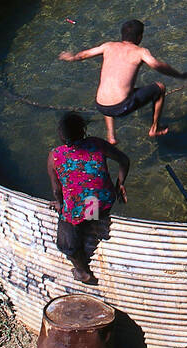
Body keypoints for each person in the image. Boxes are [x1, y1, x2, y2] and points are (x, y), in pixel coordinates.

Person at [58, 19, 187, 144]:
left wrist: (71, 57)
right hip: (120, 107)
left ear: (122, 35)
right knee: (159, 88)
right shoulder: (140, 51)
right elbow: (157, 65)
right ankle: (154, 128)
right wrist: (180, 75)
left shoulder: (108, 46)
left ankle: (111, 136)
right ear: (140, 37)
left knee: (109, 87)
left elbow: (84, 54)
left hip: (100, 105)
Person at [47, 112, 130, 284]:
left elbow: (57, 191)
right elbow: (124, 160)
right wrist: (120, 184)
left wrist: (60, 205)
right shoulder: (96, 143)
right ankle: (91, 221)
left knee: (65, 244)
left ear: (61, 135)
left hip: (81, 207)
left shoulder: (55, 155)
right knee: (88, 201)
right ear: (83, 131)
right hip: (103, 202)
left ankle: (83, 272)